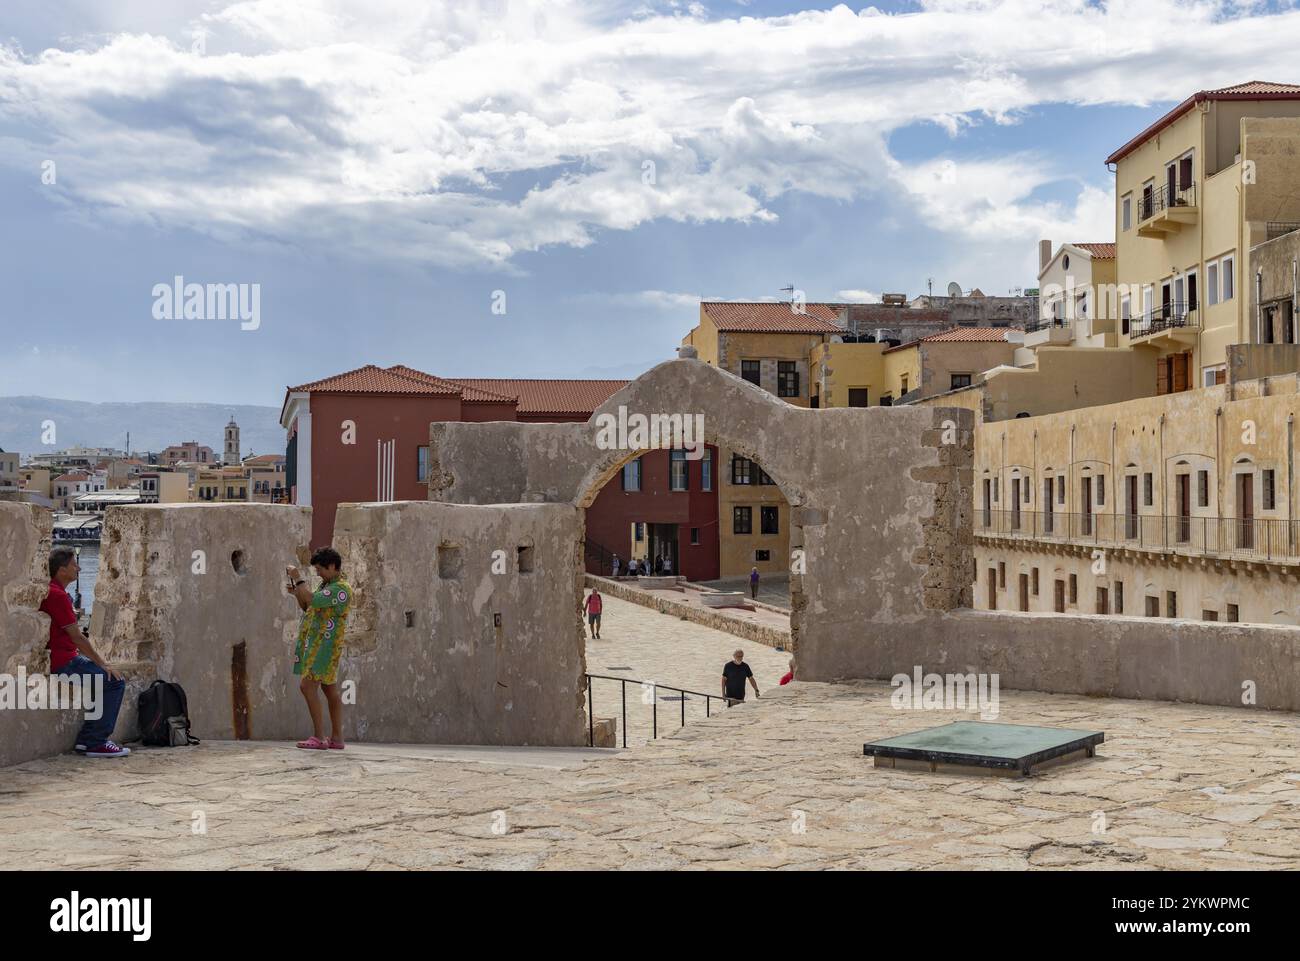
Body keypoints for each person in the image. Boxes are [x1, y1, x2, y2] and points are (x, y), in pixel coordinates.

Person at [40, 549, 129, 758]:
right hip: (64, 662)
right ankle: (96, 741)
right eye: (74, 565)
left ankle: (86, 740)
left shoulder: (52, 591)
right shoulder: (58, 595)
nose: (78, 568)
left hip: (63, 658)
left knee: (103, 679)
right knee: (114, 682)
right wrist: (103, 663)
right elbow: (77, 637)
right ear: (62, 570)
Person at [288, 547, 353, 750]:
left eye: (320, 569)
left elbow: (313, 600)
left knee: (307, 687)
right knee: (329, 689)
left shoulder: (341, 589)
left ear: (332, 566)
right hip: (320, 646)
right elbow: (308, 606)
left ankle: (319, 737)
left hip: (324, 647)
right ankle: (337, 738)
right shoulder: (327, 585)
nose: (317, 573)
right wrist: (297, 593)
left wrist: (299, 580)